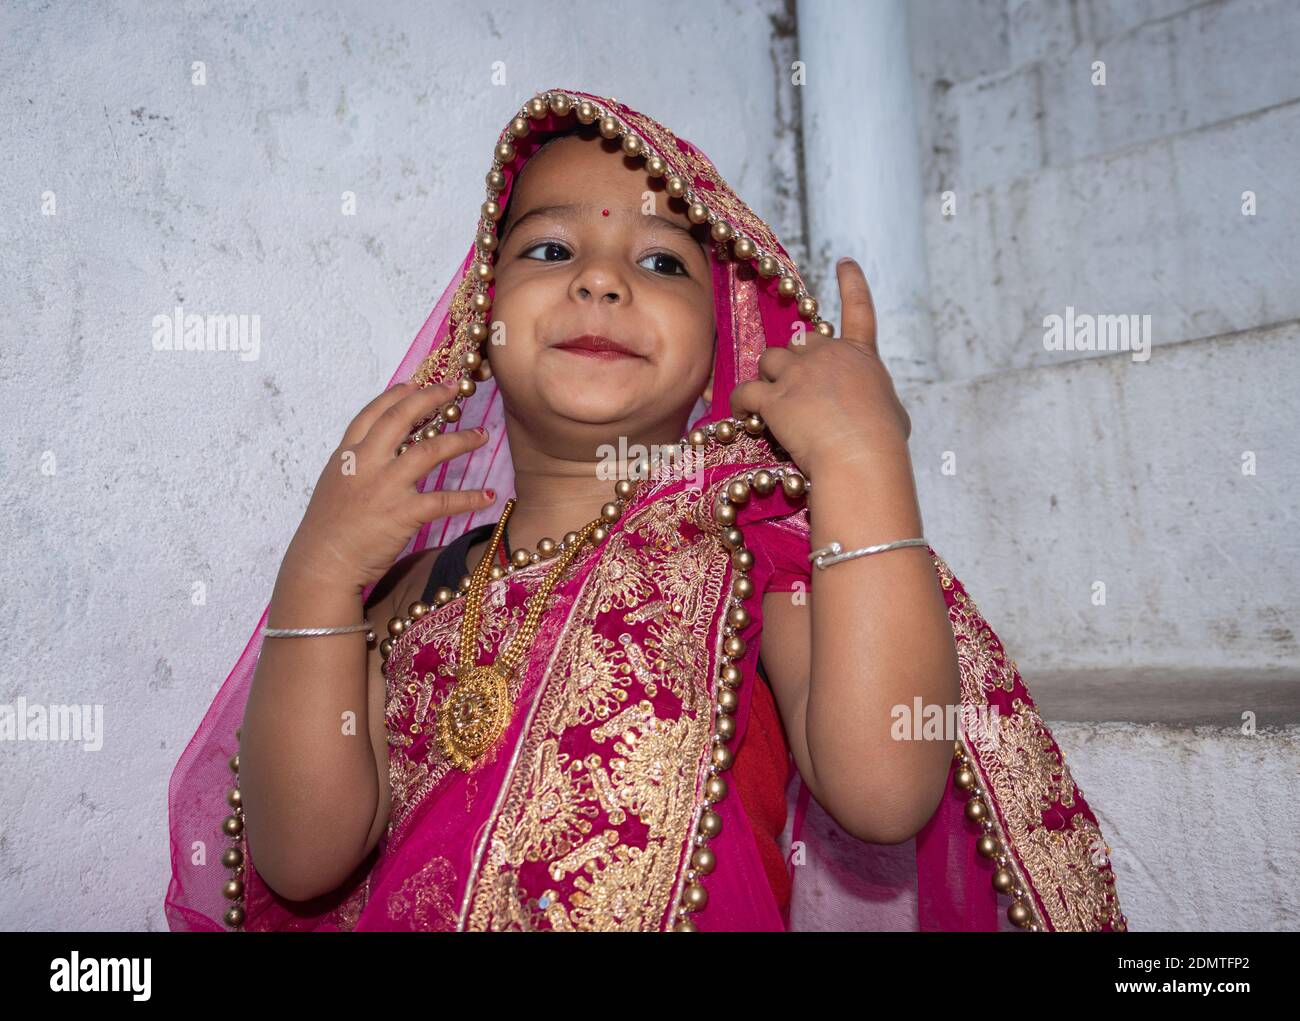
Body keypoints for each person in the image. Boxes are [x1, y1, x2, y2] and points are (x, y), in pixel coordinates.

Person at [165, 87, 1127, 932]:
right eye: (550, 247)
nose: (601, 277)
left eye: (663, 263)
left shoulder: (749, 563)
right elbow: (302, 860)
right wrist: (319, 572)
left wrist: (861, 463)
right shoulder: (411, 585)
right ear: (479, 323)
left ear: (725, 343)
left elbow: (885, 788)